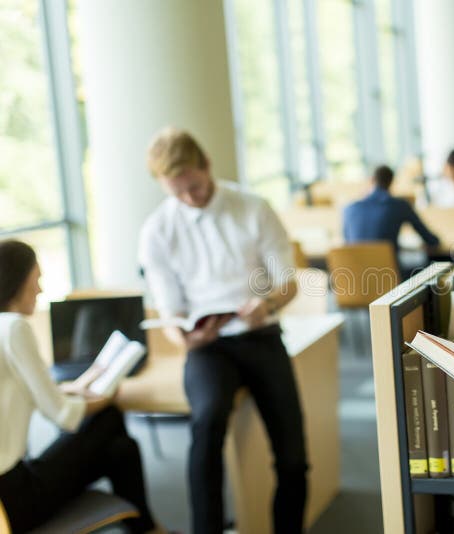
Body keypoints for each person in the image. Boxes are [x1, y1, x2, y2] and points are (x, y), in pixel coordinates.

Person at [138, 127, 307, 534]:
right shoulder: (157, 230)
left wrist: (265, 304)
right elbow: (170, 310)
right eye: (177, 193)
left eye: (194, 187)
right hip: (207, 347)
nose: (190, 199)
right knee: (207, 423)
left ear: (207, 165)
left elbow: (289, 283)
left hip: (260, 335)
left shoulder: (253, 207)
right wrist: (186, 338)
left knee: (292, 454)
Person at [0, 240, 161, 533]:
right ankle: (148, 529)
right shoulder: (14, 326)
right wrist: (110, 390)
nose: (40, 289)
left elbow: (25, 393)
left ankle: (147, 528)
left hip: (10, 491)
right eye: (36, 280)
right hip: (15, 499)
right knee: (110, 419)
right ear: (17, 280)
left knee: (121, 448)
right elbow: (63, 416)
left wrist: (78, 385)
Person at [343, 165, 441, 276]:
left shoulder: (349, 209)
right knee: (427, 266)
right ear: (391, 182)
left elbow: (348, 243)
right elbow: (431, 240)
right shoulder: (400, 205)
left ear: (371, 180)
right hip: (389, 277)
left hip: (355, 281)